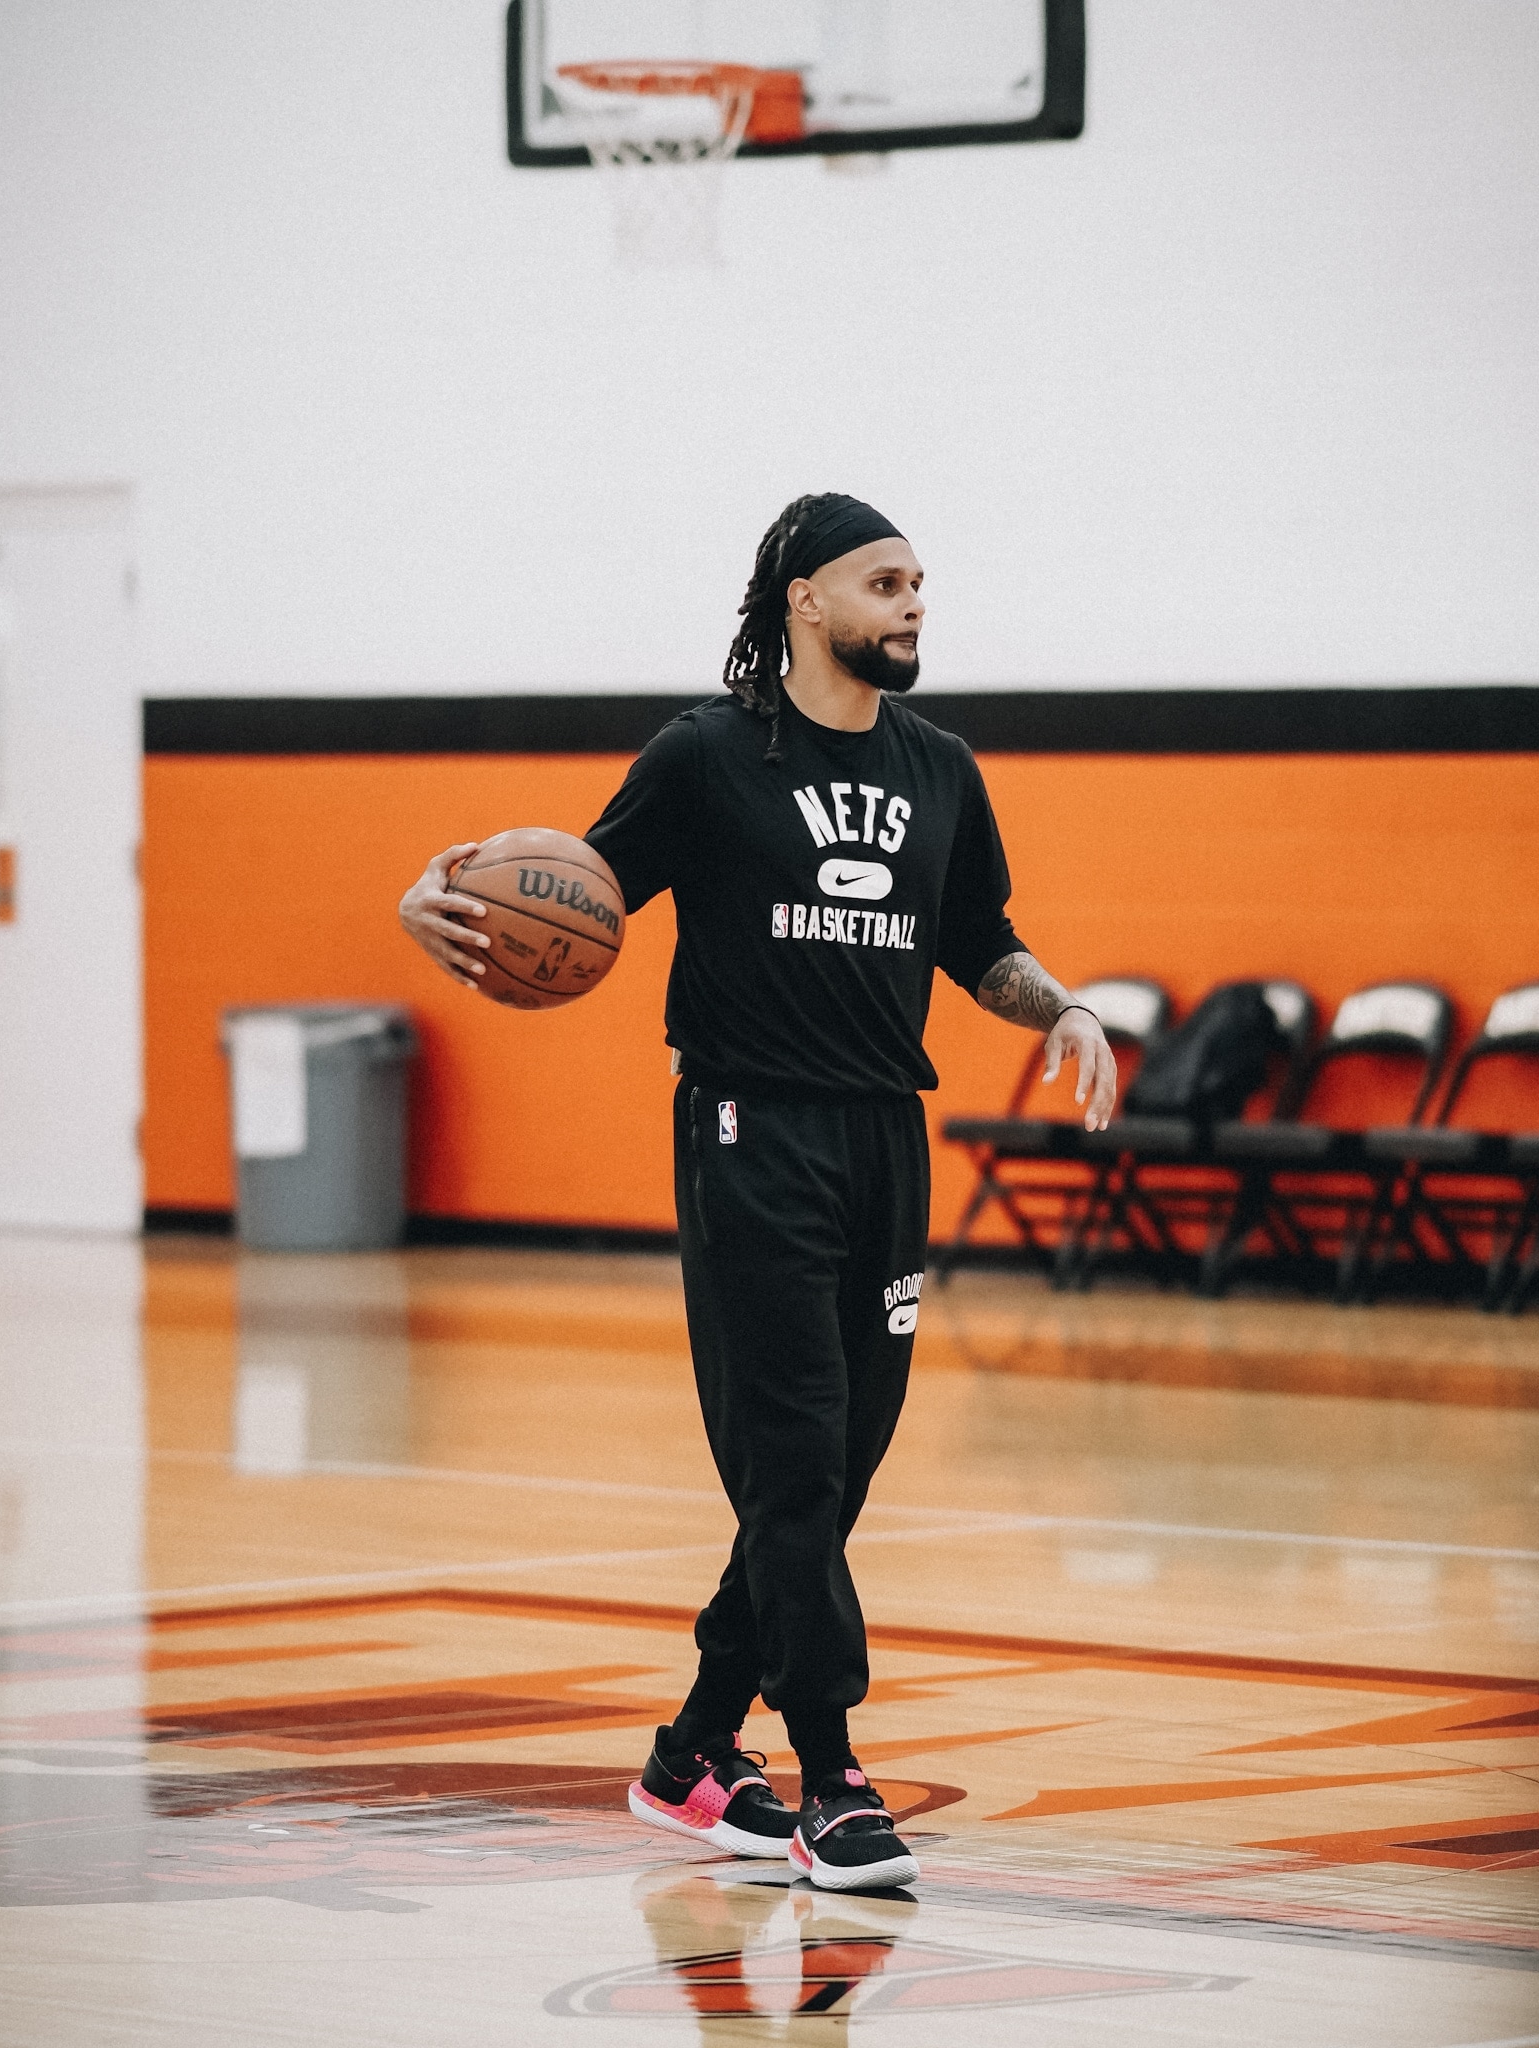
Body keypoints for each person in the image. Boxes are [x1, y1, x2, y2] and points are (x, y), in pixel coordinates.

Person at [399, 494, 1117, 1891]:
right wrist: (434, 901)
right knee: (791, 1455)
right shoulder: (708, 757)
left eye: (921, 584)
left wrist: (1060, 1010)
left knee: (837, 1470)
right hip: (748, 1132)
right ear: (802, 597)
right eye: (885, 581)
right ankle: (835, 1777)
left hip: (882, 1139)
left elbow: (978, 941)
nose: (913, 604)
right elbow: (577, 890)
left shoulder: (943, 771)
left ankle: (690, 1757)